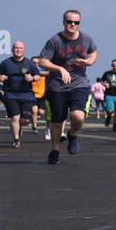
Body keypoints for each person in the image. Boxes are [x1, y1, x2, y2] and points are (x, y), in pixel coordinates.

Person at [38, 10, 98, 164]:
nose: (72, 25)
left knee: (78, 115)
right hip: (58, 86)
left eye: (76, 22)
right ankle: (55, 150)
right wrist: (60, 68)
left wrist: (89, 62)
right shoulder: (55, 40)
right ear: (63, 22)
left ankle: (72, 134)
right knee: (57, 122)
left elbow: (93, 52)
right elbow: (42, 61)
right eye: (69, 22)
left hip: (79, 84)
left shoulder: (86, 39)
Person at [0, 44, 40, 148]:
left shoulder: (29, 63)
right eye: (16, 48)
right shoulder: (6, 63)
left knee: (25, 120)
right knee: (15, 117)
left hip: (26, 94)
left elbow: (37, 75)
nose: (18, 50)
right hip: (11, 94)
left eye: (21, 48)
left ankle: (19, 127)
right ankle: (16, 139)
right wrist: (0, 77)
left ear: (24, 50)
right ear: (12, 50)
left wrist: (32, 79)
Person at [98, 59, 116, 131]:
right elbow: (101, 80)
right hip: (109, 94)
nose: (115, 67)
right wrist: (105, 84)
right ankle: (108, 117)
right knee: (110, 110)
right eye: (114, 66)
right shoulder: (107, 73)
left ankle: (115, 126)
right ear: (111, 66)